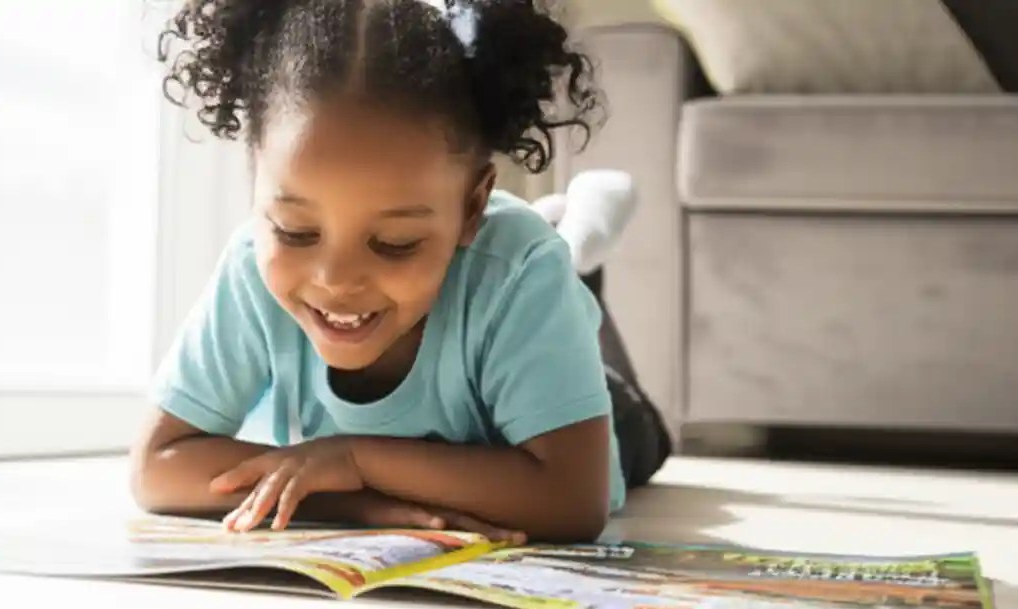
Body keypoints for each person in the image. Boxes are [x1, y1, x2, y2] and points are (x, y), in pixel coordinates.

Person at [131, 0, 669, 544]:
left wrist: (354, 459)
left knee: (637, 420)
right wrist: (353, 502)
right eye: (295, 231)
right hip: (508, 300)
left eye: (395, 243)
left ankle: (576, 259)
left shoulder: (519, 273)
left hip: (580, 380)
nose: (336, 280)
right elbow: (157, 466)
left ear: (472, 207)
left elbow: (573, 500)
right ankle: (568, 252)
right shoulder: (250, 268)